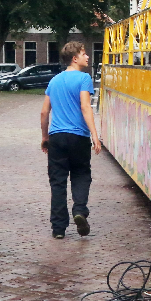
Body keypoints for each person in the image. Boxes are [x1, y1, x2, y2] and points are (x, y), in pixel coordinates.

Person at [40, 41, 102, 239]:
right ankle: (79, 211)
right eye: (84, 54)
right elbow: (85, 107)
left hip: (57, 137)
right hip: (78, 137)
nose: (87, 57)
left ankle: (58, 228)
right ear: (75, 58)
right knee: (81, 175)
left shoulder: (54, 81)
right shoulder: (84, 78)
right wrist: (94, 134)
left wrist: (44, 137)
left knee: (57, 182)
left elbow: (44, 112)